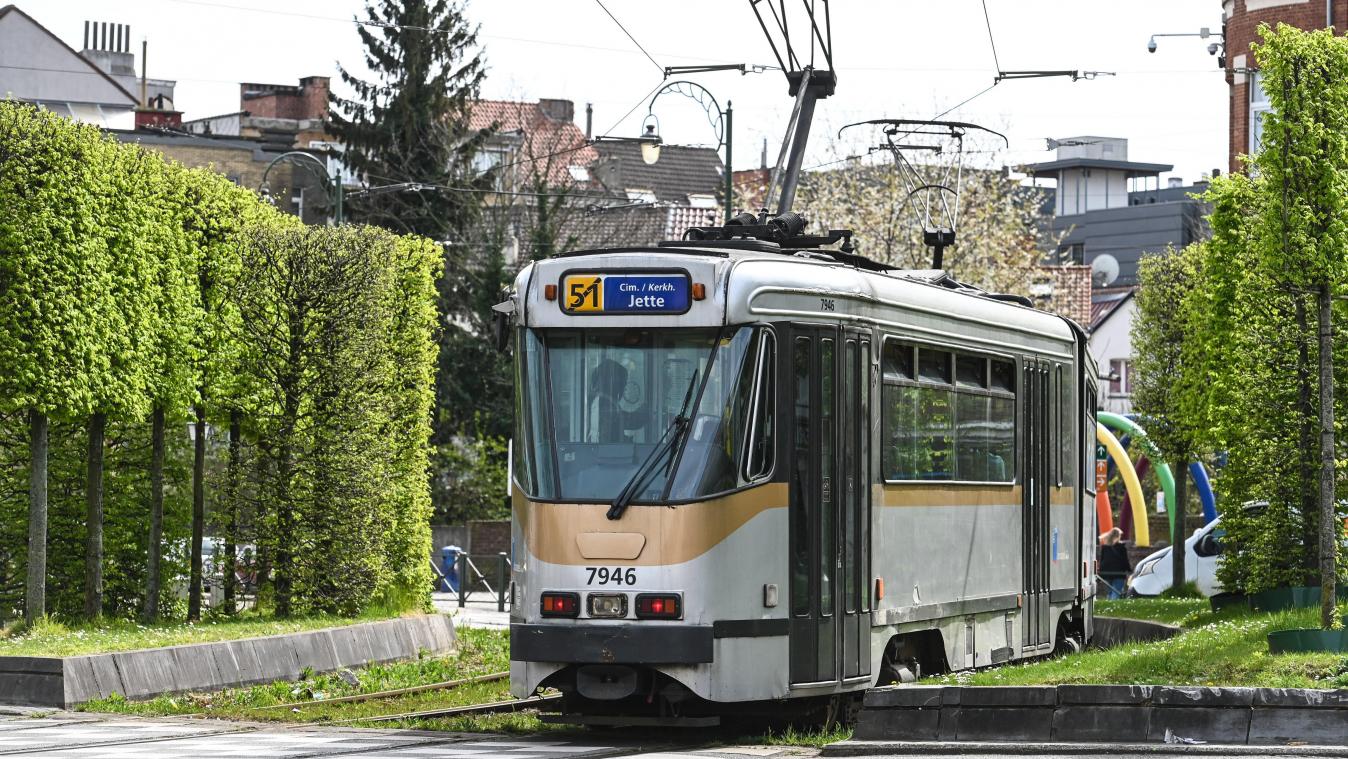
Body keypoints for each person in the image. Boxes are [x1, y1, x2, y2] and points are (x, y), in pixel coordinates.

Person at [1098, 527, 1131, 599]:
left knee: (1110, 592)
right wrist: (1129, 571)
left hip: (1107, 573)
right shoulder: (1121, 547)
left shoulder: (1105, 547)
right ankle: (1112, 606)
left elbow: (1102, 560)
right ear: (1117, 536)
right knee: (1116, 591)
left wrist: (1100, 572)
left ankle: (1108, 606)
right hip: (1119, 573)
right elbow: (1125, 560)